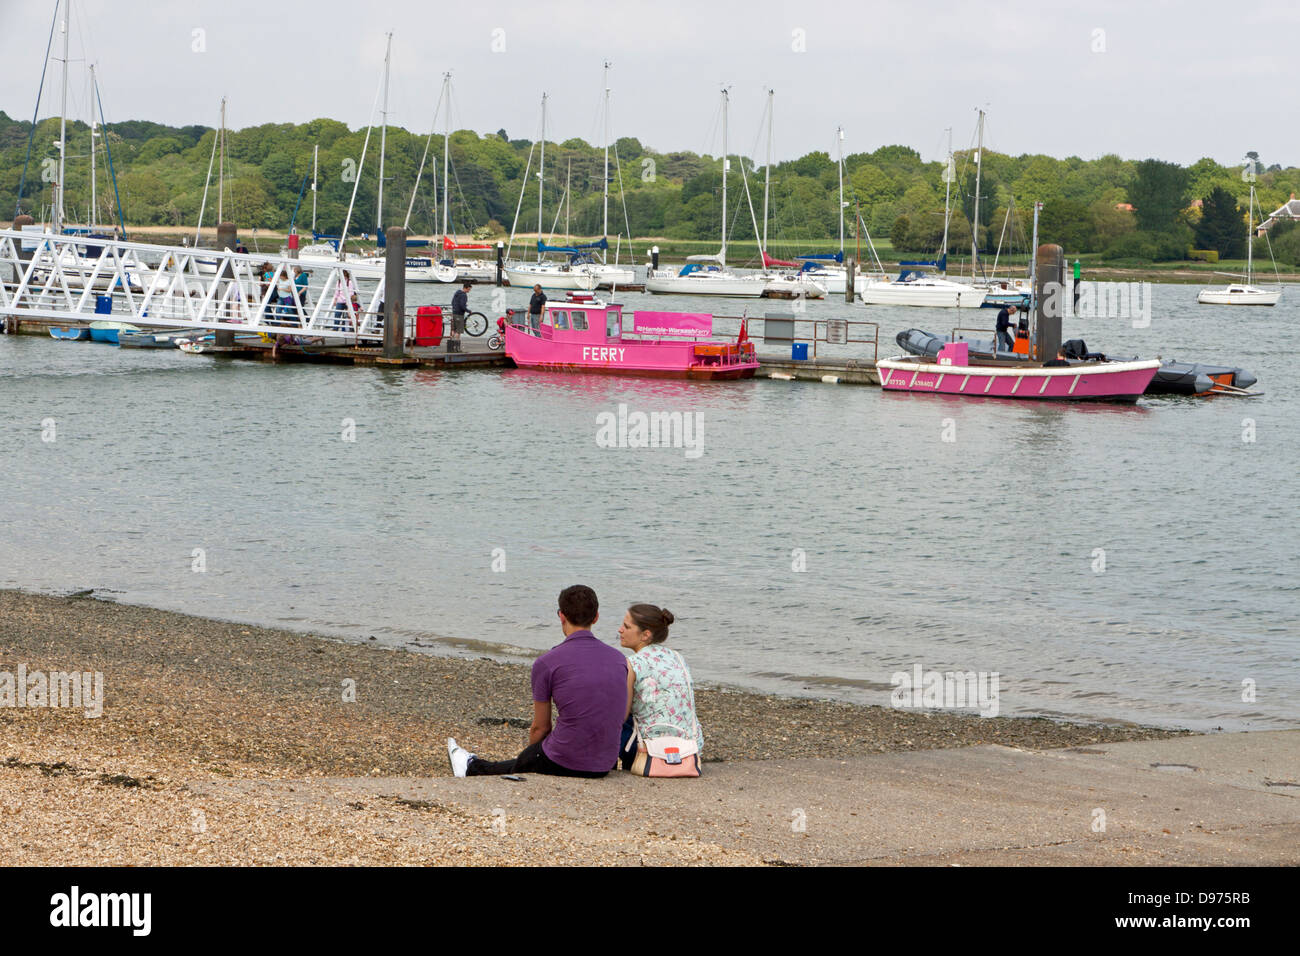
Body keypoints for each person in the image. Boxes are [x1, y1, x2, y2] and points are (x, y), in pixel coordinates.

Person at [447, 585, 627, 778]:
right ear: (596, 617)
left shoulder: (548, 662)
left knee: (523, 760)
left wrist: (529, 758)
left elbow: (541, 727)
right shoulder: (619, 659)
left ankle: (470, 767)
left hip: (566, 761)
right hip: (605, 763)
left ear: (561, 616)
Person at [618, 604, 704, 775]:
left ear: (645, 635)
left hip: (649, 752)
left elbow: (622, 715)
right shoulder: (677, 657)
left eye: (627, 626)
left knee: (618, 710)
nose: (620, 630)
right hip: (689, 748)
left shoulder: (633, 663)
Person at [449, 281, 471, 353]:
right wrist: (468, 310)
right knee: (458, 331)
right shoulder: (464, 295)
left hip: (454, 313)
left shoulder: (457, 292)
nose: (469, 291)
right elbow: (462, 306)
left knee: (453, 330)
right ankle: (457, 348)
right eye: (469, 289)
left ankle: (451, 346)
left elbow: (452, 302)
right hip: (459, 314)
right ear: (466, 288)